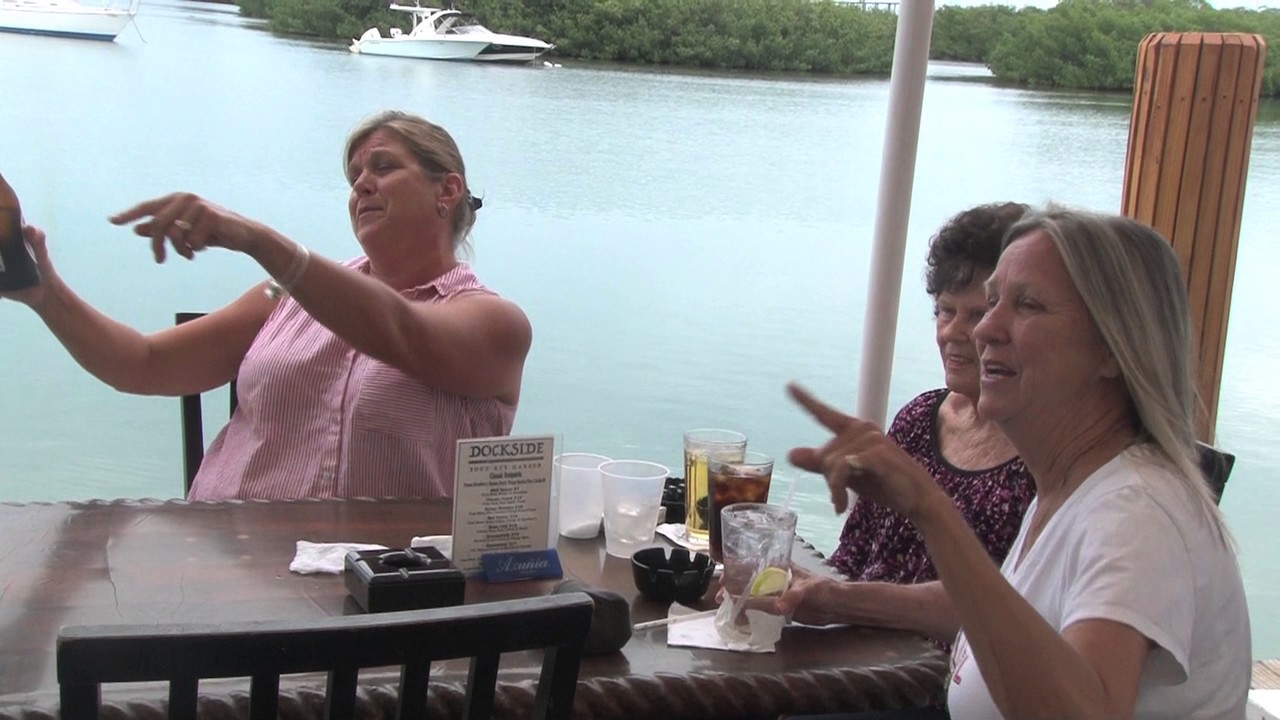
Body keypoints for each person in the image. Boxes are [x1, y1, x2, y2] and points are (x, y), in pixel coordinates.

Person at [782, 207, 1250, 719]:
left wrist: (929, 506)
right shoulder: (1069, 492)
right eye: (991, 302)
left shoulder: (1138, 513)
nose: (985, 330)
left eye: (1026, 305)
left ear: (1114, 350)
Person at [0, 110, 532, 501]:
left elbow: (400, 333)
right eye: (353, 178)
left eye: (383, 167)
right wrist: (46, 297)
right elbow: (142, 363)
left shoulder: (493, 323)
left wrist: (255, 238)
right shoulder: (282, 300)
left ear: (448, 190)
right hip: (230, 562)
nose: (361, 185)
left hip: (382, 594)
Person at [829, 202, 1035, 584]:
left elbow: (1002, 611)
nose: (951, 332)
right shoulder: (918, 420)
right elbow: (850, 557)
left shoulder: (1040, 465)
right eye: (945, 310)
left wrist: (839, 604)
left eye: (977, 315)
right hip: (850, 636)